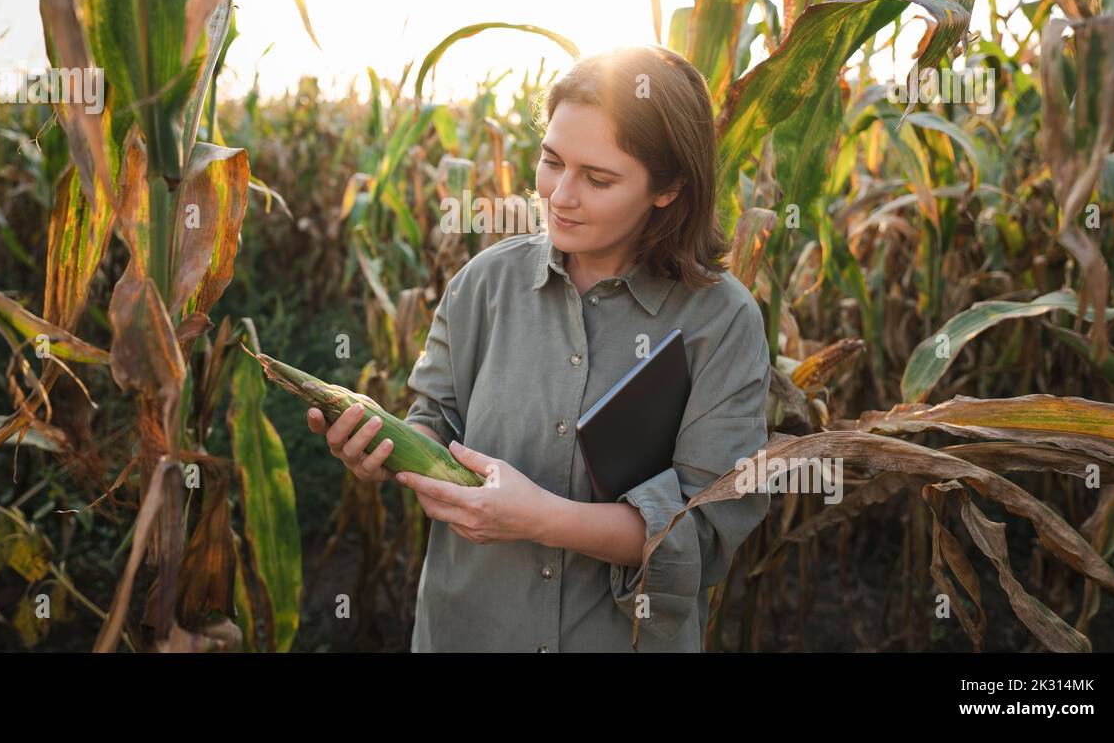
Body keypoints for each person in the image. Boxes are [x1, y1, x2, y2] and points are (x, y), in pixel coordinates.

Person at [307, 45, 771, 652]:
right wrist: (380, 450)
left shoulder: (723, 321)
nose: (560, 194)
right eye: (551, 161)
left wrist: (539, 518)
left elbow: (705, 528)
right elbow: (434, 424)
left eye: (598, 178)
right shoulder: (483, 283)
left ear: (669, 188)